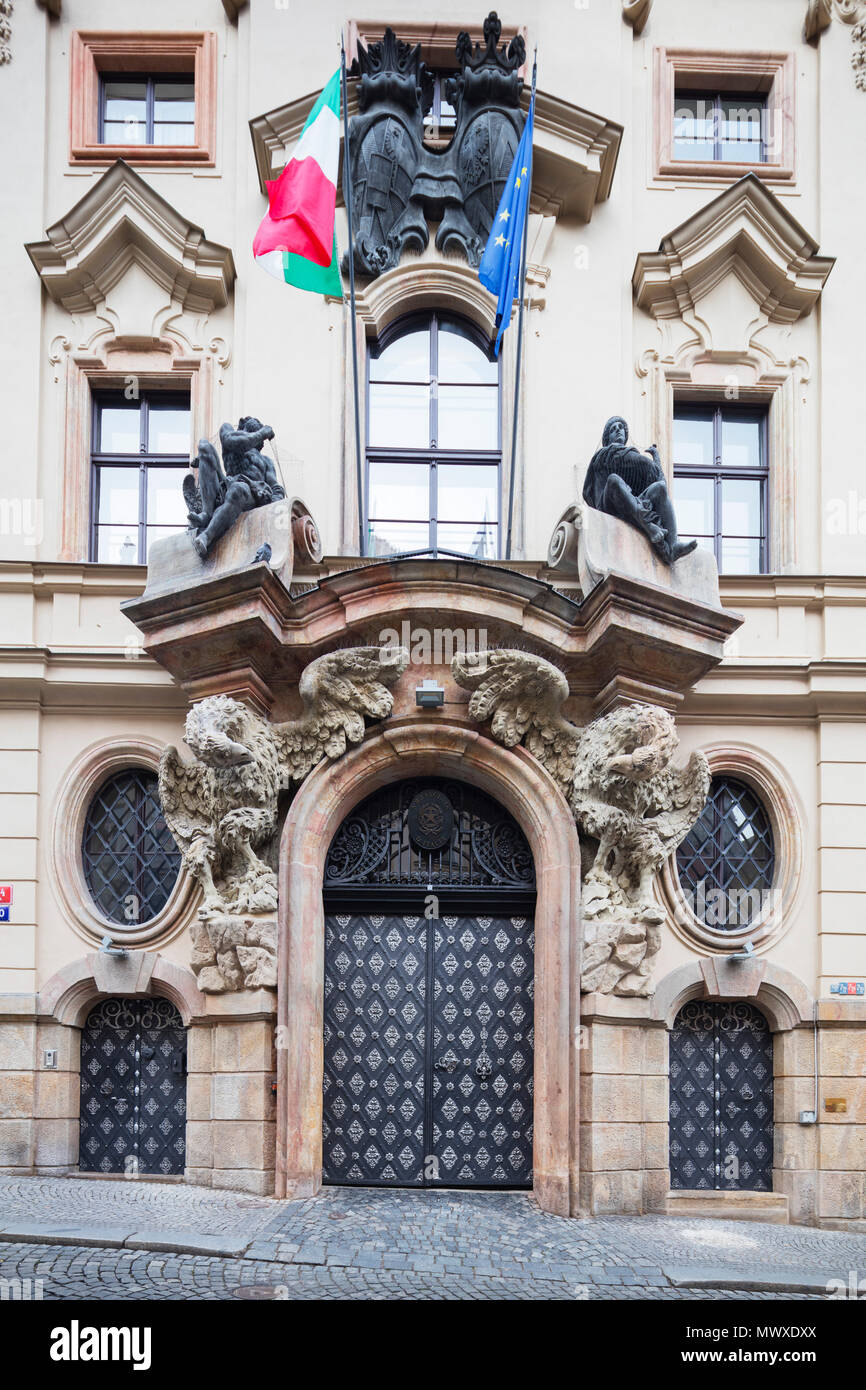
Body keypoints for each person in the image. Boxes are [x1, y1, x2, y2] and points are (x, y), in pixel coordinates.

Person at [582, 415, 697, 564]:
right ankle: (649, 528)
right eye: (613, 429)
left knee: (660, 489)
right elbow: (622, 462)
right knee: (614, 480)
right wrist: (646, 462)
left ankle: (672, 546)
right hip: (608, 506)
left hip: (631, 505)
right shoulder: (603, 456)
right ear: (607, 437)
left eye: (621, 427)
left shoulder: (631, 455)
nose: (618, 430)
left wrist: (656, 459)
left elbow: (659, 481)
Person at [185, 418, 282, 559]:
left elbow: (276, 488)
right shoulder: (230, 434)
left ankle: (206, 537)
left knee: (238, 488)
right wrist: (263, 432)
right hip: (224, 488)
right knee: (204, 446)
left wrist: (273, 511)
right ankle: (206, 513)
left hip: (250, 494)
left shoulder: (266, 461)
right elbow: (237, 442)